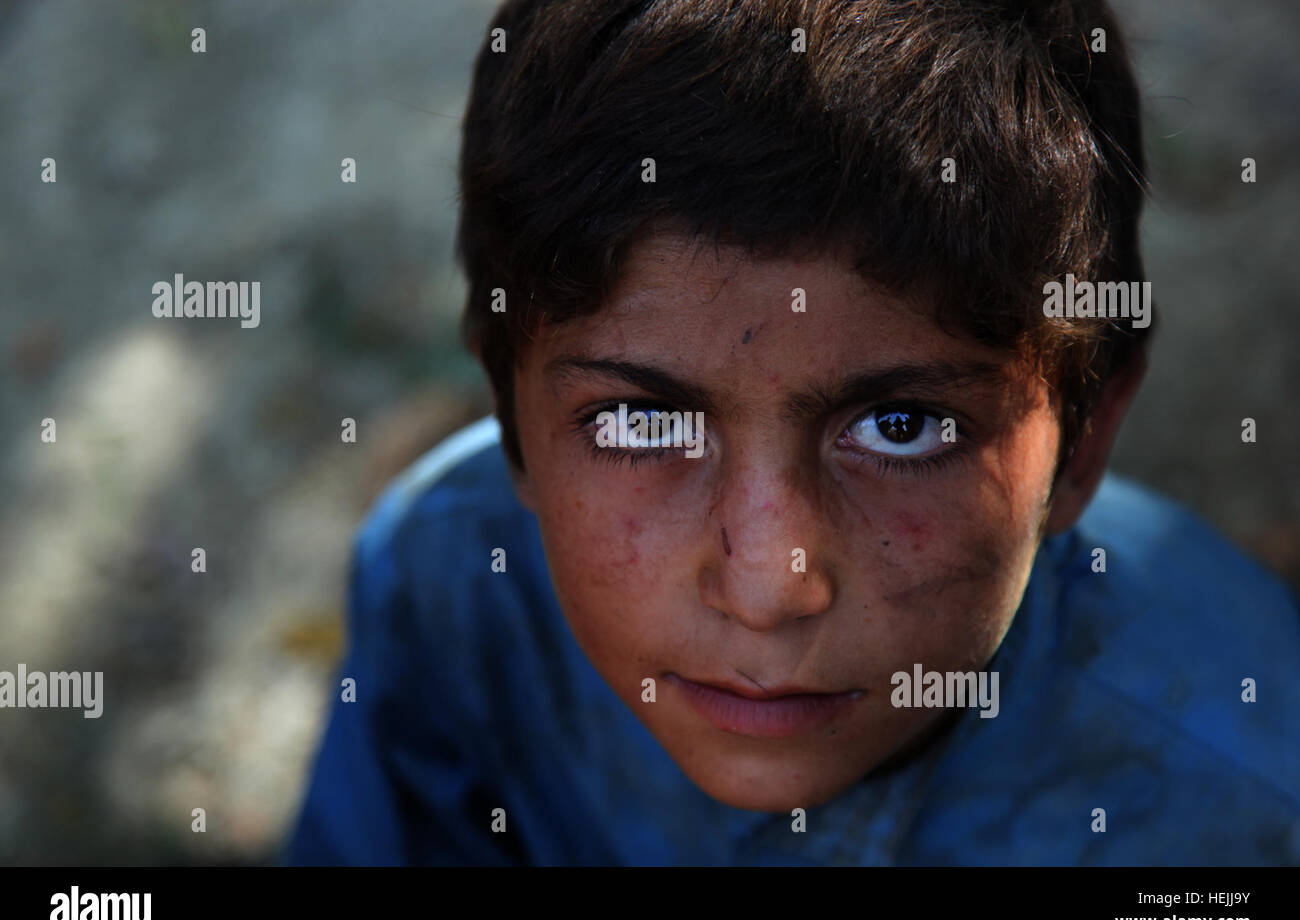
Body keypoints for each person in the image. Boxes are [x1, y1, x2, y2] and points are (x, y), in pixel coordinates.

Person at [285, 0, 1300, 864]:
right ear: (512, 419)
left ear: (1081, 440)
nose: (769, 587)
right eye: (642, 422)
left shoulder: (1243, 806)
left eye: (902, 426)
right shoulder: (450, 582)